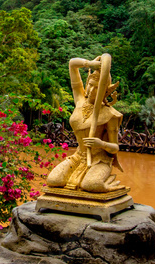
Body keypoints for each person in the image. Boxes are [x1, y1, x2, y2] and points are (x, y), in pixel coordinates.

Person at [46, 55, 124, 193]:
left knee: (91, 185)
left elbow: (115, 147)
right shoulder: (80, 101)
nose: (91, 90)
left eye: (97, 88)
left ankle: (108, 185)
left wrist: (101, 144)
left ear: (105, 91)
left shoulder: (109, 114)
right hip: (78, 156)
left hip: (100, 159)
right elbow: (72, 64)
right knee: (53, 180)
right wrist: (90, 64)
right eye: (90, 85)